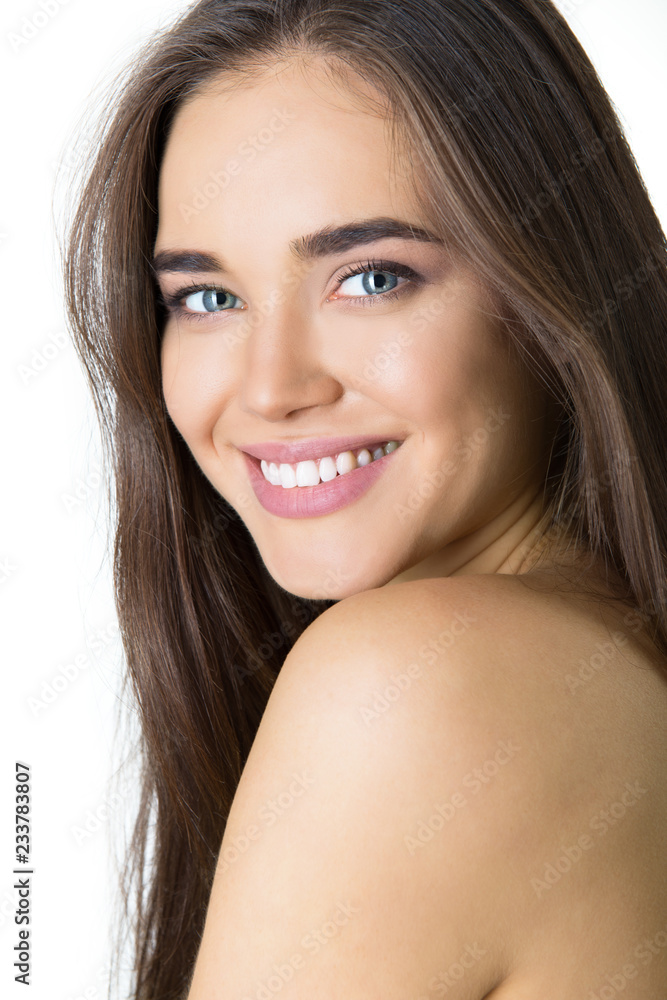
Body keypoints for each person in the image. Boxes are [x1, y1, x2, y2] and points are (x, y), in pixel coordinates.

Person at [63, 1, 667, 997]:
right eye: (207, 298)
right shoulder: (607, 659)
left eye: (372, 278)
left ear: (546, 288)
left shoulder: (415, 687)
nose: (271, 388)